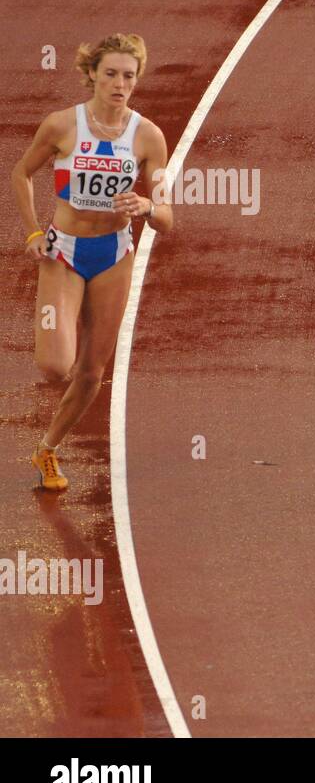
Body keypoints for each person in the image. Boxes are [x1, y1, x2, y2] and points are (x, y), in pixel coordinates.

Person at [11, 33, 173, 490]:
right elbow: (21, 173)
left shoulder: (148, 136)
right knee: (54, 366)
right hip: (63, 252)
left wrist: (148, 207)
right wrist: (33, 232)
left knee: (91, 372)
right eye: (111, 74)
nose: (120, 84)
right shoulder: (62, 125)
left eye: (129, 76)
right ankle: (58, 319)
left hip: (114, 255)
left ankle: (47, 451)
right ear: (92, 75)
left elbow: (168, 216)